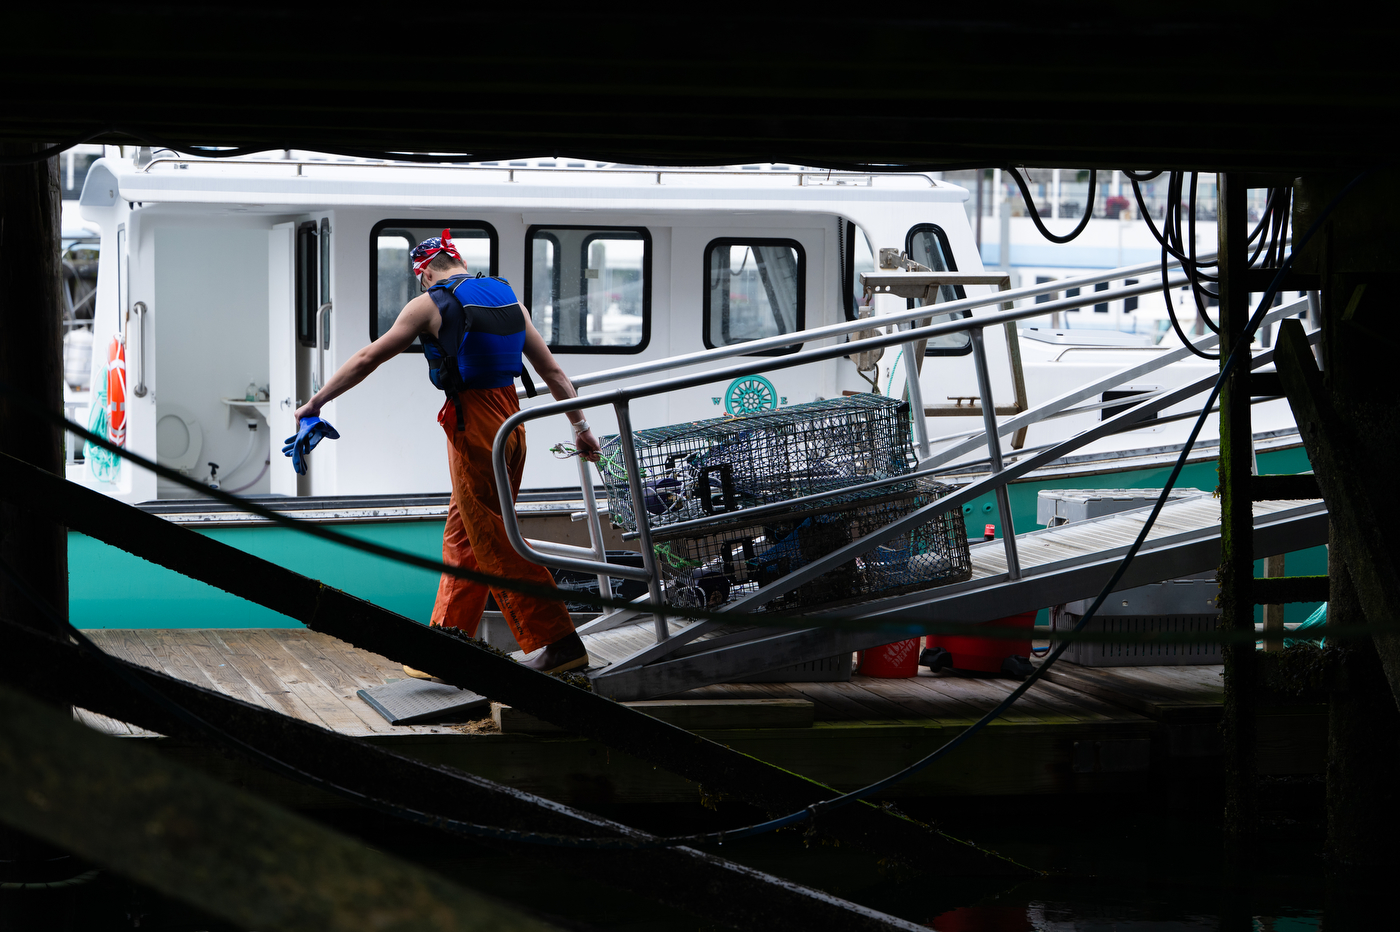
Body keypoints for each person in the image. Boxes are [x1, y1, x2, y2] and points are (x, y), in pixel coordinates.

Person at [294, 230, 600, 674]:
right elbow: (552, 370)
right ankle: (444, 645)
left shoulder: (429, 303)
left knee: (494, 540)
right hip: (513, 428)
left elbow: (367, 358)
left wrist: (315, 403)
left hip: (475, 429)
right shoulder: (506, 295)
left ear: (424, 272)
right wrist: (582, 428)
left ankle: (559, 641)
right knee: (465, 534)